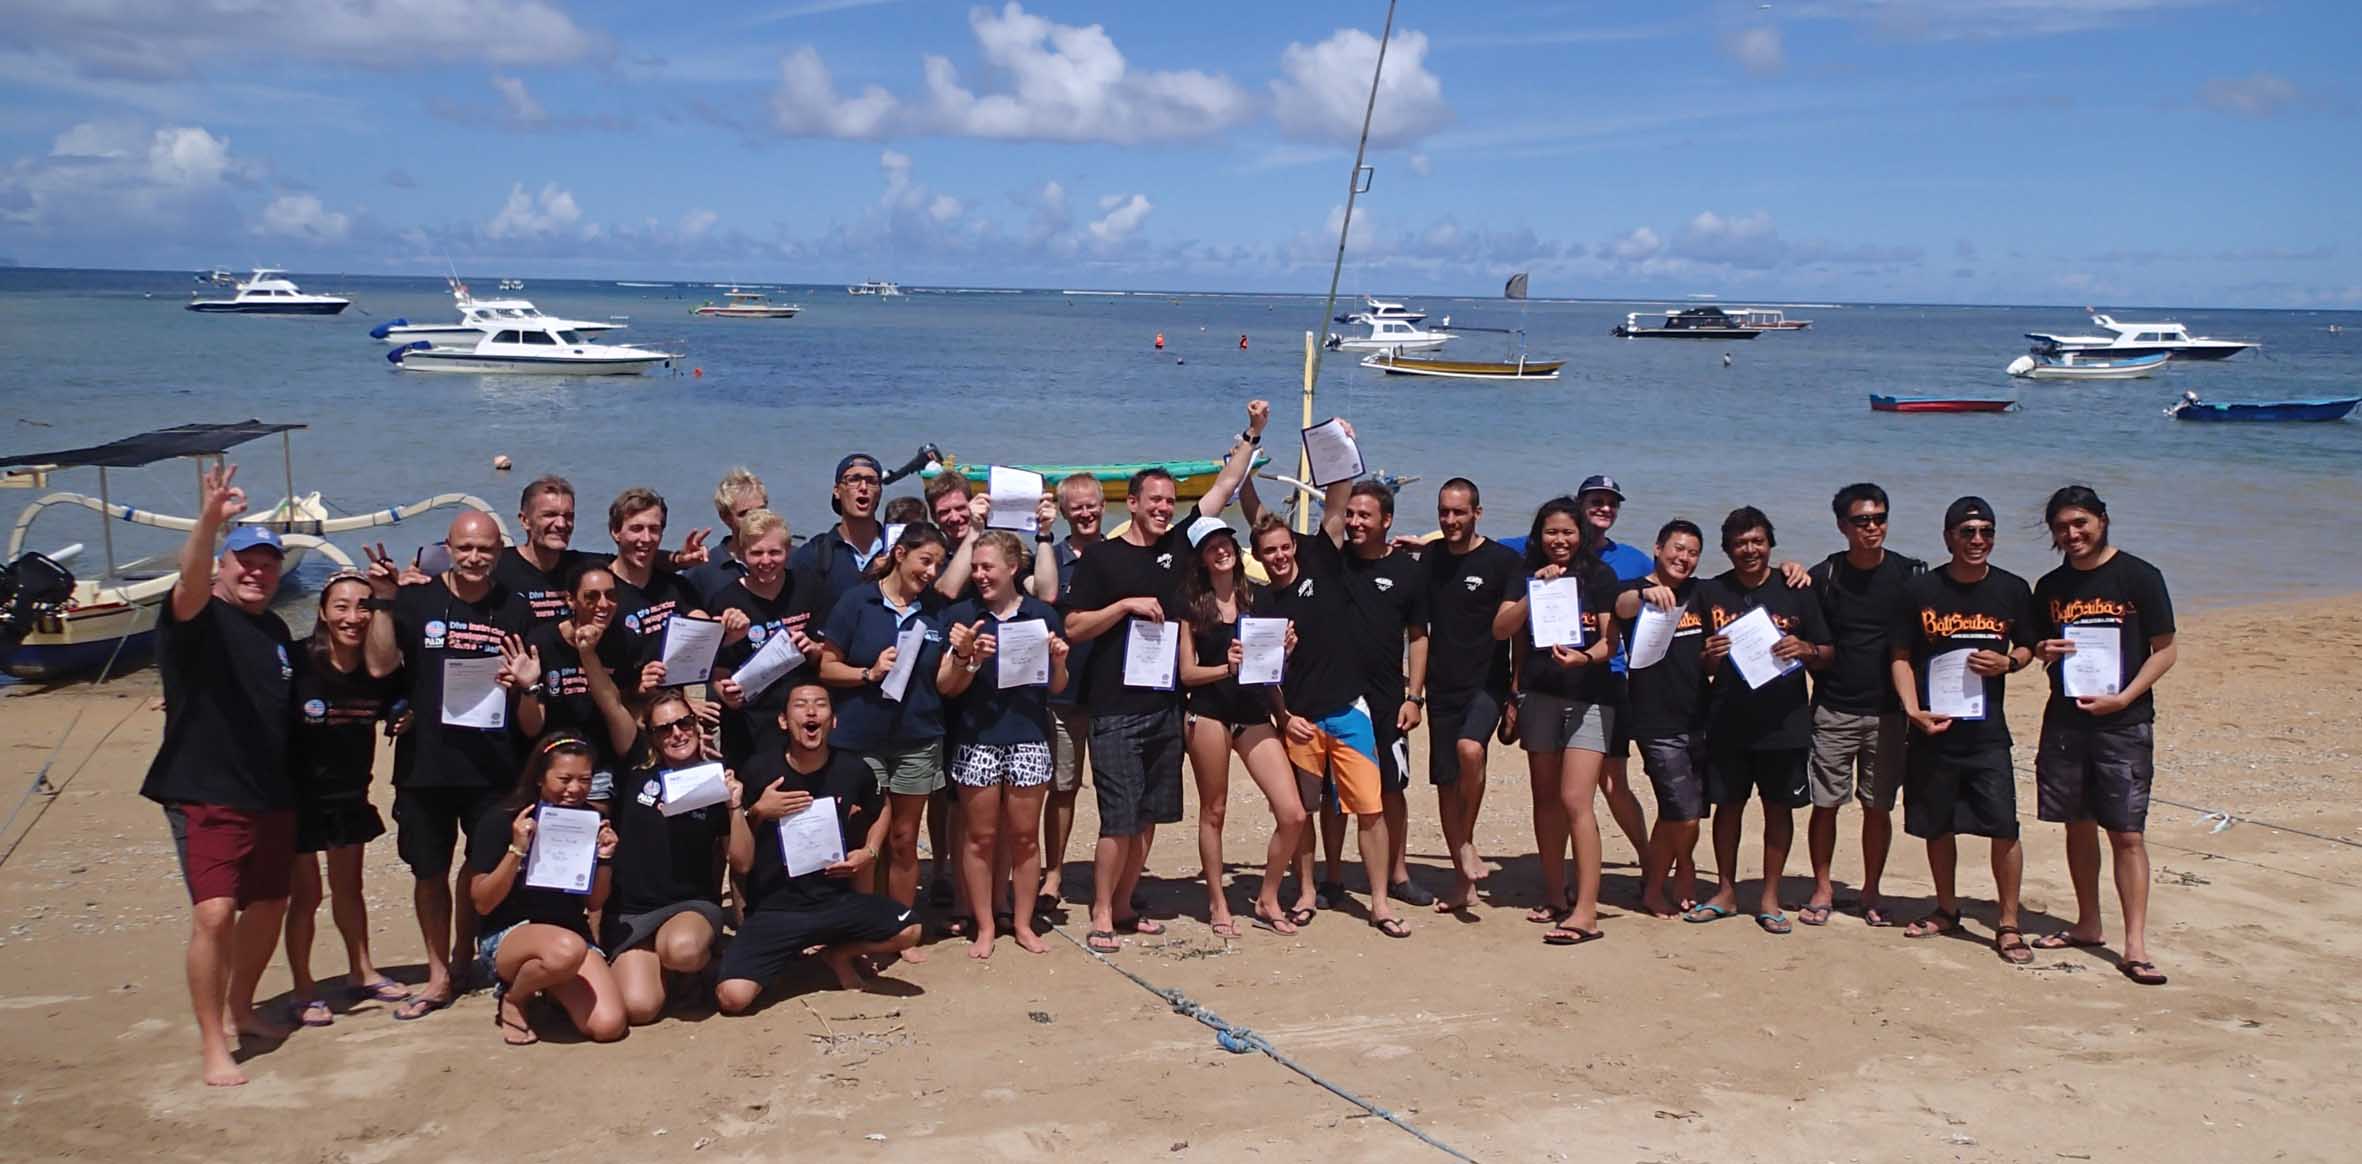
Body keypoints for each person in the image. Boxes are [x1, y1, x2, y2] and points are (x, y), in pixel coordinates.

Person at [1059, 403, 1268, 951]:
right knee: (1117, 819)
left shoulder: (1179, 547)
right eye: (1151, 500)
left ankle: (1126, 903)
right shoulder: (1102, 559)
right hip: (1114, 707)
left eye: (1167, 501)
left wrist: (1252, 435)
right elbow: (1075, 626)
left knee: (1150, 817)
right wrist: (1125, 604)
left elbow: (1225, 485)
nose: (1161, 508)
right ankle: (1101, 912)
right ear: (1129, 504)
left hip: (1167, 706)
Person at [141, 464, 297, 1086]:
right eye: (245, 562)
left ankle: (242, 1008)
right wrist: (209, 521)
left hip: (269, 792)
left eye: (268, 564)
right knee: (214, 914)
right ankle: (213, 1043)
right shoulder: (196, 616)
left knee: (269, 905)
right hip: (203, 789)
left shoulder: (279, 630)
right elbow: (187, 579)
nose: (257, 572)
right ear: (223, 568)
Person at [362, 509, 524, 1020]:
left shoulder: (515, 608)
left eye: (486, 549)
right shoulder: (416, 599)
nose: (476, 558)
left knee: (480, 868)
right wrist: (383, 604)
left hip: (494, 766)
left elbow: (532, 675)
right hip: (425, 764)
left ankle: (462, 955)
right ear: (448, 549)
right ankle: (436, 974)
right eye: (466, 548)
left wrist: (525, 680)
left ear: (499, 552)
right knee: (428, 871)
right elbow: (380, 666)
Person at [1248, 455, 1408, 940]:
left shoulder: (1320, 559)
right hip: (1301, 720)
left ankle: (1379, 903)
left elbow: (1336, 501)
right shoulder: (1262, 605)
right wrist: (1284, 716)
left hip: (1348, 710)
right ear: (1258, 556)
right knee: (1304, 814)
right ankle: (1307, 891)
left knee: (1371, 809)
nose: (1279, 556)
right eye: (1269, 551)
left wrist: (1337, 447)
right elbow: (1263, 677)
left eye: (1283, 547)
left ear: (1292, 546)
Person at [2028, 486, 2176, 986]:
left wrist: (2125, 697)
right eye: (2061, 527)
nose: (2072, 534)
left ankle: (2134, 944)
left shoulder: (2139, 576)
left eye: (2080, 523)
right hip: (2066, 719)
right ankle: (2088, 922)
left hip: (2123, 721)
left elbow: (2165, 650)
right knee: (2076, 822)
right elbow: (2035, 647)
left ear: (2103, 520)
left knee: (2127, 833)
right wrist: (2043, 649)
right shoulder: (2049, 586)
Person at [1889, 497, 2038, 964]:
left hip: (1988, 732)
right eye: (1967, 532)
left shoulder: (2013, 589)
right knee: (1938, 825)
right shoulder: (1921, 590)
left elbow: (2031, 646)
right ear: (1948, 536)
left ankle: (2008, 923)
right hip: (1935, 729)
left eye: (1986, 532)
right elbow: (1899, 656)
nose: (1977, 541)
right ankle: (1946, 908)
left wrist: (2009, 662)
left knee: (2004, 827)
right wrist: (1912, 710)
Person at [717, 684, 919, 1012]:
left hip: (835, 901)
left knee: (910, 930)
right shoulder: (758, 771)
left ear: (833, 721)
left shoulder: (853, 768)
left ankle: (838, 954)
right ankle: (780, 957)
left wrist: (869, 851)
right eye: (801, 705)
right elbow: (739, 860)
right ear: (783, 721)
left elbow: (881, 807)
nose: (811, 712)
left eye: (820, 705)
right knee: (732, 999)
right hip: (775, 910)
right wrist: (757, 812)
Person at [1688, 507, 1831, 935]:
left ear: (1770, 543)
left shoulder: (1796, 590)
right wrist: (1708, 657)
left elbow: (1827, 651)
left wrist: (1805, 649)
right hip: (1727, 719)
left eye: (1757, 541)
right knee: (1728, 808)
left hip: (1784, 721)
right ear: (1727, 549)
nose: (1749, 550)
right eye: (1739, 543)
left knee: (1778, 809)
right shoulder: (1710, 592)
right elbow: (1693, 660)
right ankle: (1726, 892)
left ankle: (1769, 898)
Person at [815, 522, 951, 952]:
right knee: (864, 840)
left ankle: (899, 930)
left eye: (938, 565)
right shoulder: (858, 601)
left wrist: (964, 658)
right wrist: (867, 673)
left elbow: (946, 682)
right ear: (900, 554)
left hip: (918, 737)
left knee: (904, 839)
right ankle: (862, 929)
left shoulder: (936, 610)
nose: (931, 571)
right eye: (925, 560)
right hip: (860, 738)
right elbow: (824, 667)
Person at [1491, 496, 1621, 946]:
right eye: (1551, 532)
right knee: (1544, 799)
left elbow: (1610, 642)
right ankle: (1554, 893)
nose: (1559, 540)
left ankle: (1586, 910)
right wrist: (1533, 592)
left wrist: (1584, 657)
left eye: (1567, 532)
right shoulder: (1524, 572)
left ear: (1581, 535)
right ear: (1538, 535)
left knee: (1574, 800)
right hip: (1539, 696)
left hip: (1590, 698)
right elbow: (1502, 630)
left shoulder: (1599, 576)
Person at [284, 572, 409, 1028]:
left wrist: (406, 713)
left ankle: (361, 970)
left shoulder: (378, 670)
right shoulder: (298, 660)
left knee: (349, 889)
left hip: (350, 793)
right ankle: (303, 987)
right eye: (341, 606)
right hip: (296, 796)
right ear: (322, 612)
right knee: (306, 895)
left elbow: (409, 696)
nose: (353, 617)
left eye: (363, 606)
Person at [937, 531, 1069, 957]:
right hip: (977, 739)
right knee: (980, 839)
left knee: (1026, 838)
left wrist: (1059, 660)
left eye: (987, 567)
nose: (979, 575)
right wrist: (967, 658)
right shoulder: (962, 616)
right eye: (975, 567)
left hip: (1028, 736)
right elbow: (947, 688)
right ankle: (985, 926)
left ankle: (1025, 923)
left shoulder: (1040, 615)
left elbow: (1057, 687)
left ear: (1013, 568)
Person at [1176, 515, 1309, 934]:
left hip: (1253, 712)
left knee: (1293, 813)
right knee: (1214, 811)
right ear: (1201, 557)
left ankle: (1267, 898)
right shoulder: (1191, 605)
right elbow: (1185, 674)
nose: (1221, 550)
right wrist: (1224, 667)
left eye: (1226, 542)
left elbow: (1269, 672)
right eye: (1212, 545)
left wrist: (1284, 655)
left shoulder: (1260, 598)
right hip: (1209, 712)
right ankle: (1218, 903)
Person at [1804, 483, 1925, 928]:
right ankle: (1822, 887)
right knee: (1826, 803)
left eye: (1879, 519)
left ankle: (1871, 888)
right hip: (1834, 706)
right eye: (1861, 521)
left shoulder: (1909, 576)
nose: (1872, 528)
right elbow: (1803, 628)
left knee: (1879, 806)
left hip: (1889, 712)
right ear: (1842, 526)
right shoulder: (1824, 576)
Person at [467, 734, 627, 1045]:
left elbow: (594, 902)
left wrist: (604, 859)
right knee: (567, 950)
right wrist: (516, 850)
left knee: (609, 1026)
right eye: (564, 779)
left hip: (568, 933)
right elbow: (482, 903)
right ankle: (514, 997)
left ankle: (552, 985)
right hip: (510, 933)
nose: (575, 789)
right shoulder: (502, 820)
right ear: (540, 778)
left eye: (584, 779)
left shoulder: (593, 820)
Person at [601, 691, 749, 1024]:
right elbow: (611, 703)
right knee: (640, 1009)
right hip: (633, 911)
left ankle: (692, 966)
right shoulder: (635, 765)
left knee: (682, 950)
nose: (677, 733)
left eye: (684, 723)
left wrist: (735, 807)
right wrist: (587, 651)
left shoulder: (716, 777)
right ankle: (668, 972)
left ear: (697, 726)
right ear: (651, 736)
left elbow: (741, 862)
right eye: (664, 729)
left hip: (689, 905)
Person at [1417, 478, 1523, 913]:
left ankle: (1463, 845)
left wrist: (1516, 692)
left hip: (1487, 681)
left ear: (1477, 512)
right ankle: (1463, 874)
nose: (1450, 520)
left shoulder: (1502, 561)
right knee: (1445, 781)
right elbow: (1416, 624)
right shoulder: (1431, 557)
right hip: (1441, 683)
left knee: (1470, 751)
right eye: (1444, 512)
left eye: (1459, 512)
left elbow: (1518, 635)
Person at [1327, 480, 1432, 909]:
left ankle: (1398, 873)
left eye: (1364, 516)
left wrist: (1415, 697)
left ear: (1386, 521)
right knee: (1334, 793)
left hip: (1389, 696)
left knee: (1392, 787)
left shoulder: (1408, 570)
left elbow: (1419, 637)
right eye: (1350, 514)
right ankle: (1332, 877)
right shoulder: (1333, 561)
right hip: (1336, 693)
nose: (1354, 522)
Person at [1613, 520, 1711, 917]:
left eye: (1692, 553)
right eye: (1677, 549)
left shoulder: (1701, 592)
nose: (1683, 558)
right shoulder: (1635, 590)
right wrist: (1643, 592)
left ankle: (1655, 879)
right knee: (1683, 813)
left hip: (1700, 716)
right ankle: (1673, 876)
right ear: (1657, 548)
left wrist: (1790, 568)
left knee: (1680, 810)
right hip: (1655, 720)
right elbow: (1620, 607)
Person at [1570, 476, 1655, 871]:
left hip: (1613, 677)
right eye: (1596, 501)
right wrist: (1427, 544)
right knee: (1568, 789)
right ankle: (1567, 870)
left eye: (1611, 503)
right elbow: (1488, 550)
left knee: (1612, 780)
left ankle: (1648, 858)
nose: (1604, 508)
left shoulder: (1635, 560)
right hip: (1561, 677)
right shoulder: (1553, 544)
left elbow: (1680, 586)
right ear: (1579, 504)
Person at [513, 561, 636, 805]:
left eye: (611, 595)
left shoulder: (622, 641)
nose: (603, 604)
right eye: (591, 597)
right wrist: (528, 688)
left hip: (599, 769)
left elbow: (618, 708)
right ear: (571, 600)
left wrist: (588, 653)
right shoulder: (543, 642)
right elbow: (531, 727)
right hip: (550, 771)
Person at [710, 509, 820, 771]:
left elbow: (828, 652)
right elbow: (715, 671)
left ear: (788, 551)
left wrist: (814, 649)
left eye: (775, 553)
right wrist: (724, 692)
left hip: (802, 720)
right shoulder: (725, 600)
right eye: (756, 553)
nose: (766, 561)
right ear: (742, 554)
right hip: (748, 727)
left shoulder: (809, 588)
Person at [1040, 473, 1106, 907]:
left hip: (1111, 695)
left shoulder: (1119, 556)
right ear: (1064, 512)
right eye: (1076, 507)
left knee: (1115, 789)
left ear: (1103, 506)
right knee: (1062, 787)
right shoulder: (1052, 559)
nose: (1085, 513)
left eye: (1091, 505)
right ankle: (1054, 873)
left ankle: (1113, 876)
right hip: (1062, 695)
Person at [603, 488, 709, 694]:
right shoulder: (602, 592)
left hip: (678, 707)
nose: (646, 538)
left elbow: (703, 635)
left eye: (654, 529)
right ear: (615, 532)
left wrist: (729, 627)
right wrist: (636, 687)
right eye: (636, 528)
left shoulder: (676, 586)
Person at [790, 454, 889, 624]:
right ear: (837, 491)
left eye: (871, 481)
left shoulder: (896, 550)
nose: (863, 487)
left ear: (879, 492)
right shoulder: (815, 555)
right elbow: (794, 618)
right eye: (853, 480)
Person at [681, 467, 768, 606]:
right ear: (725, 517)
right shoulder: (704, 571)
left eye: (761, 510)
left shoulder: (790, 559)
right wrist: (679, 561)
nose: (755, 519)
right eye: (744, 514)